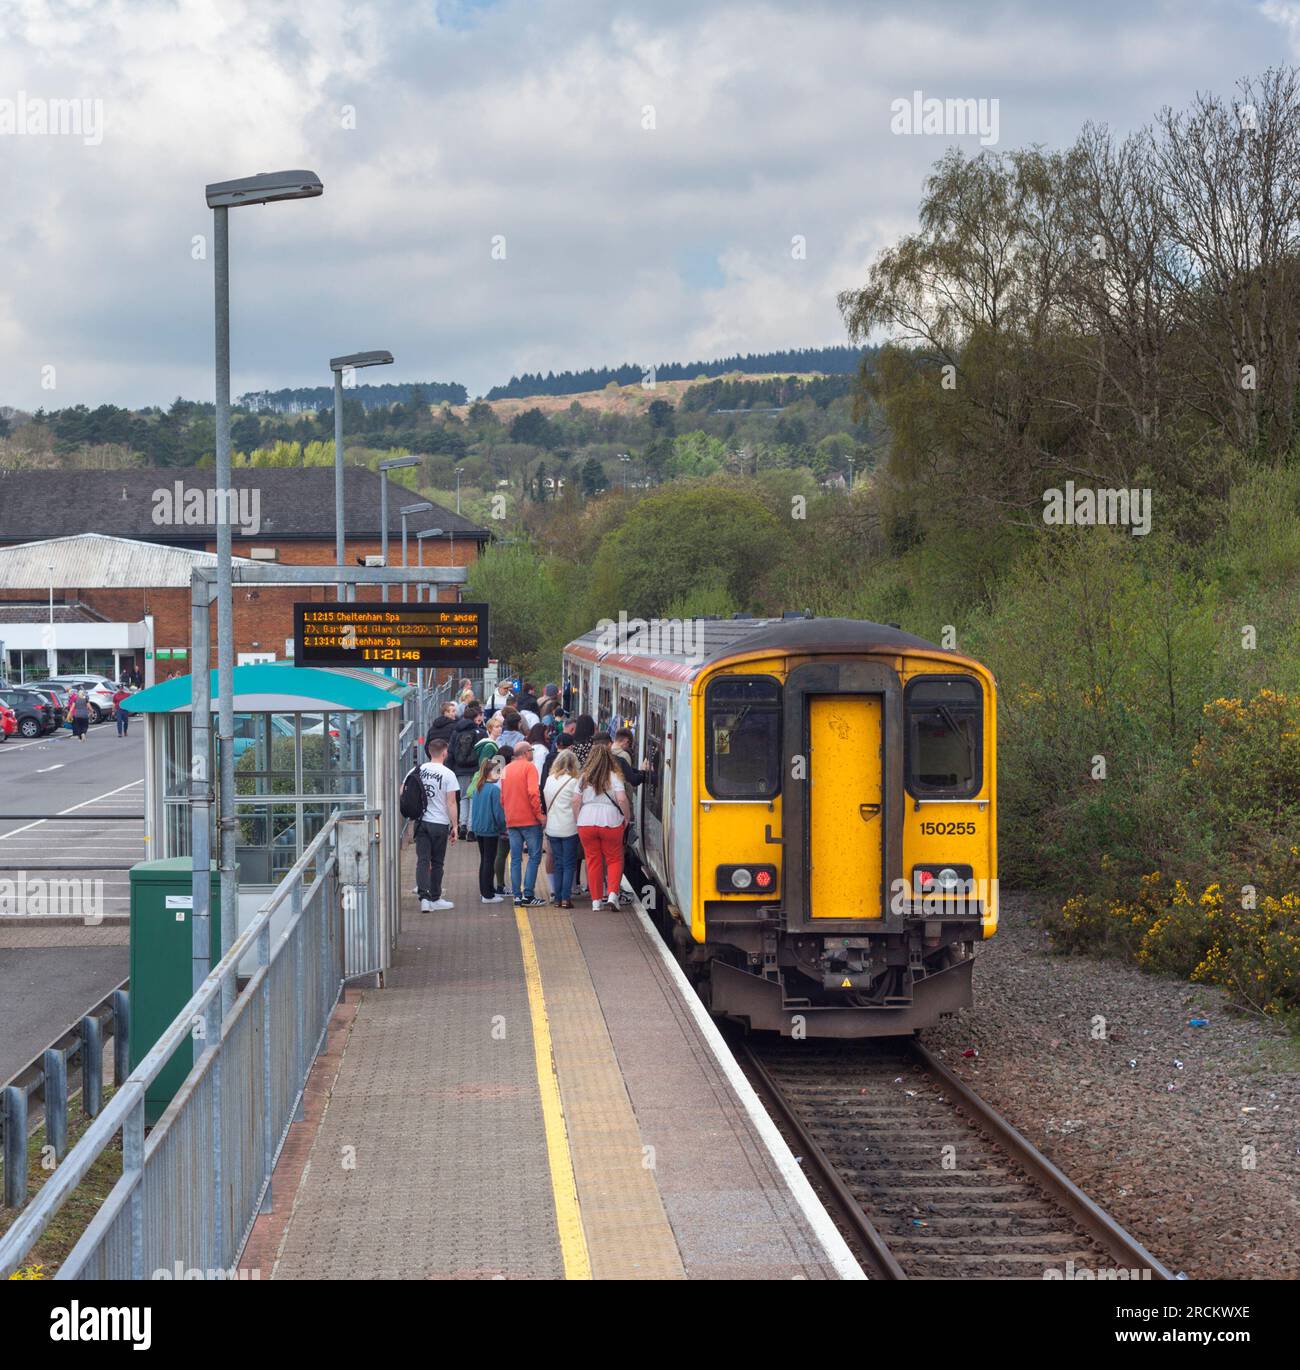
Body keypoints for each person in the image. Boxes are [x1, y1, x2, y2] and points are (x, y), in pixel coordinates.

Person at [571, 745, 630, 912]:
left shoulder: (583, 777)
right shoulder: (614, 776)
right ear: (609, 758)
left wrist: (578, 819)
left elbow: (575, 801)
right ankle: (612, 895)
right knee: (614, 859)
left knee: (593, 861)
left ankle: (596, 902)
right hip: (611, 820)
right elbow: (622, 799)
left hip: (586, 821)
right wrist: (626, 817)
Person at [415, 737, 459, 912]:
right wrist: (455, 826)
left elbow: (404, 790)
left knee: (422, 861)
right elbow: (451, 802)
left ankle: (424, 899)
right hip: (439, 823)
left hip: (421, 821)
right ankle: (435, 897)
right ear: (444, 752)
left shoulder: (417, 769)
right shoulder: (448, 774)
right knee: (437, 862)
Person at [500, 740, 546, 907]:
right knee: (534, 857)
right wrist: (539, 815)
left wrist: (508, 814)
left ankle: (517, 896)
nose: (532, 753)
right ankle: (528, 894)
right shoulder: (529, 767)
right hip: (529, 820)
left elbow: (503, 797)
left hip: (512, 820)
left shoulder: (505, 769)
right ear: (526, 752)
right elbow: (533, 793)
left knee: (515, 859)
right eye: (531, 750)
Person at [543, 749, 582, 908]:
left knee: (558, 863)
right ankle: (566, 898)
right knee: (569, 863)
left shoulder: (550, 779)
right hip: (569, 828)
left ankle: (558, 898)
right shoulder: (574, 781)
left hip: (552, 827)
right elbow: (577, 803)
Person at [469, 755, 506, 904]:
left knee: (485, 860)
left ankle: (486, 891)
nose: (500, 775)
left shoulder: (479, 786)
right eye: (498, 772)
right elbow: (498, 814)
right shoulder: (494, 790)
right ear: (491, 773)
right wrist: (504, 827)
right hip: (490, 829)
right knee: (489, 861)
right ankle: (487, 894)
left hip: (479, 829)